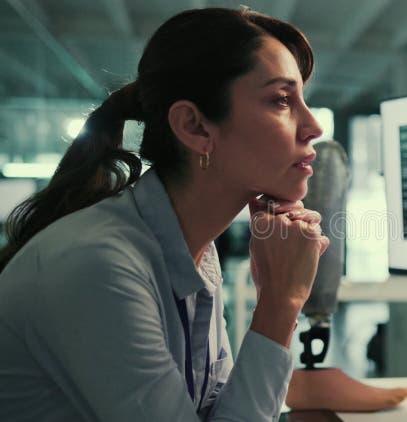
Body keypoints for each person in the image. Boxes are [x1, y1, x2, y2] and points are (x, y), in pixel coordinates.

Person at [0, 8, 330, 421]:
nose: (314, 125)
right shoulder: (100, 264)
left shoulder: (193, 250)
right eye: (282, 100)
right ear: (194, 127)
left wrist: (278, 302)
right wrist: (280, 305)